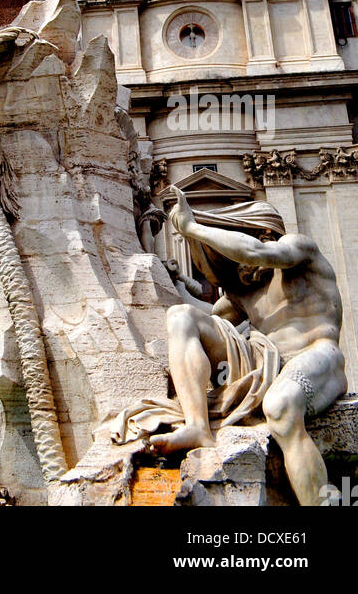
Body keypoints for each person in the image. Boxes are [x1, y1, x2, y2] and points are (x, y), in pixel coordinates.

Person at [111, 188, 346, 506]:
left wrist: (193, 229)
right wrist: (173, 278)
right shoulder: (242, 293)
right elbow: (204, 314)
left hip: (317, 354)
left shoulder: (298, 249)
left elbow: (257, 254)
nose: (234, 268)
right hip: (266, 362)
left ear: (262, 233)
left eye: (230, 252)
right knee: (181, 317)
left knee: (280, 405)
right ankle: (197, 426)